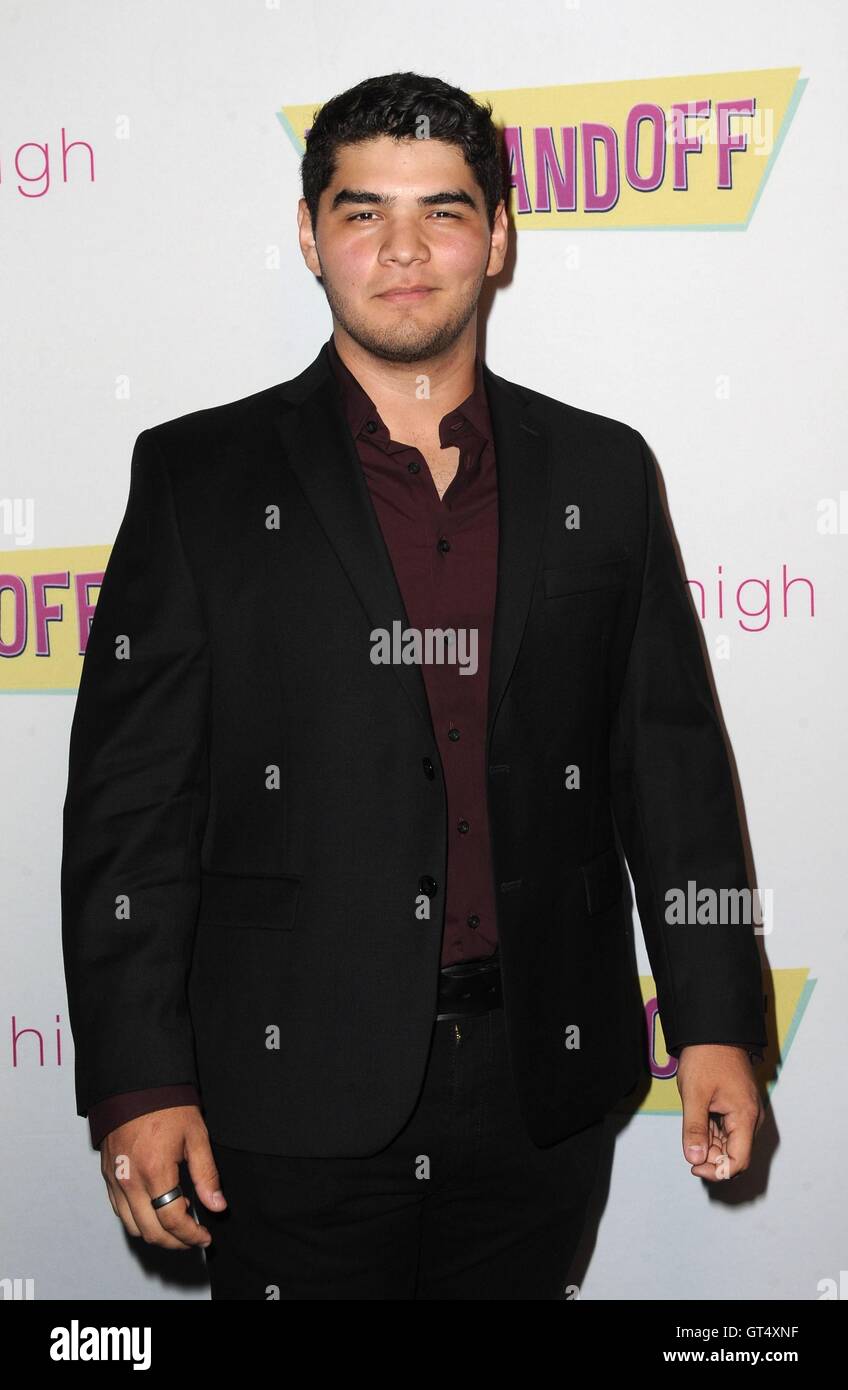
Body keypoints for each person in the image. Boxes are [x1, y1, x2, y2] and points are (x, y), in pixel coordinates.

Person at [61, 71, 767, 1300]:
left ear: (497, 236)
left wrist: (712, 1017)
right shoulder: (198, 476)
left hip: (537, 1084)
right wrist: (138, 1080)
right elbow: (132, 810)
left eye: (441, 212)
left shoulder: (600, 470)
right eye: (360, 212)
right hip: (281, 1092)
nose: (401, 250)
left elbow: (672, 768)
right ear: (307, 234)